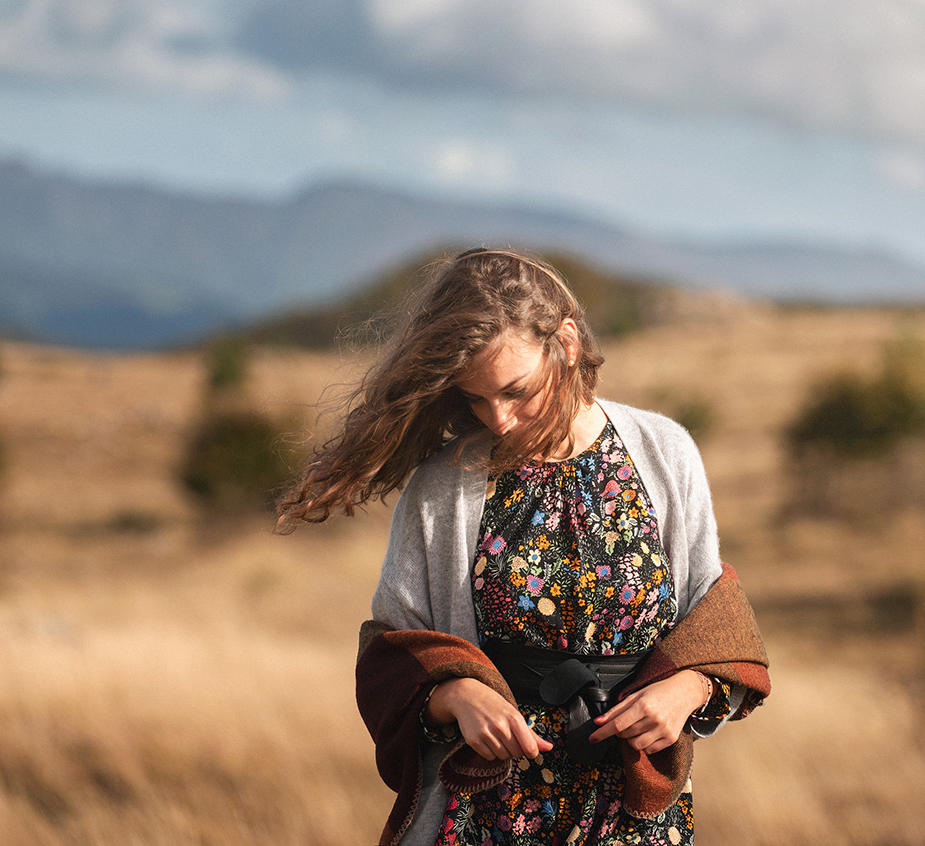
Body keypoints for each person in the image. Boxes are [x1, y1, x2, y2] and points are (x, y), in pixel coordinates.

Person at [277, 247, 770, 846]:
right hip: (490, 812)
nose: (500, 419)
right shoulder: (445, 484)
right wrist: (454, 694)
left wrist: (686, 689)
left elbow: (715, 621)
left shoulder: (664, 452)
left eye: (516, 390)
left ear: (565, 343)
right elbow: (391, 652)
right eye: (476, 399)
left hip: (634, 810)